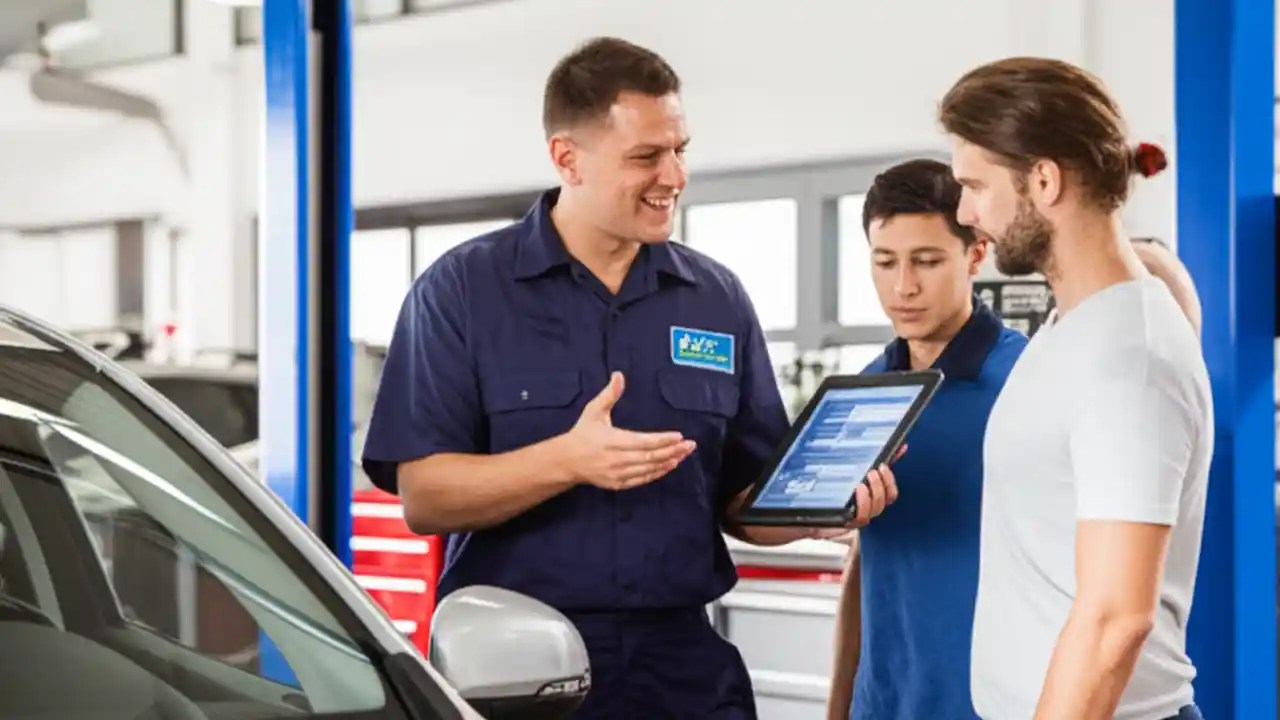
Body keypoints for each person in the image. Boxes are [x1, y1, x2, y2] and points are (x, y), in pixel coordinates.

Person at [360, 36, 897, 719]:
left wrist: (818, 508)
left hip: (683, 670)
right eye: (646, 156)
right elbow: (425, 496)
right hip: (518, 673)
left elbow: (740, 500)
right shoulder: (461, 292)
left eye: (680, 149)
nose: (674, 175)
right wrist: (566, 461)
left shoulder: (716, 299)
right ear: (567, 159)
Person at [939, 57, 1212, 720]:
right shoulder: (1074, 328)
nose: (965, 211)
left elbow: (1117, 619)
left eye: (975, 185)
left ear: (1043, 179)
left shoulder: (1128, 356)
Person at [824, 159, 1028, 720]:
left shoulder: (1029, 382)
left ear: (977, 253)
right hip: (883, 706)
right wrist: (838, 706)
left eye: (928, 261)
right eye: (885, 262)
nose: (903, 286)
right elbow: (862, 568)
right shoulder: (862, 391)